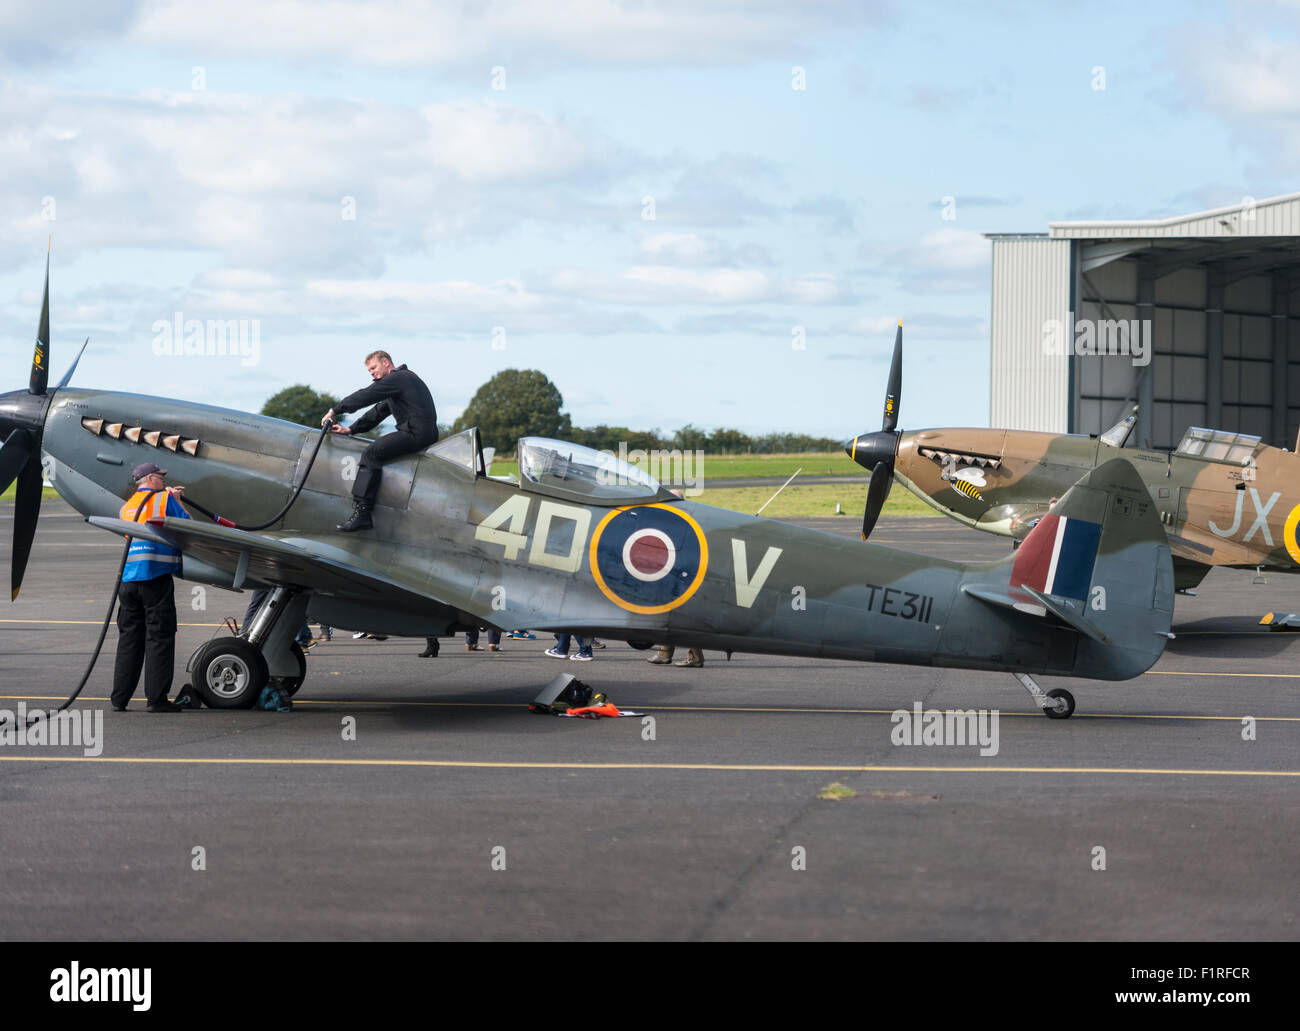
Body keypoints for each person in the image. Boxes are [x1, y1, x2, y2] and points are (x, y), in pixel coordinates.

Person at [323, 351, 438, 532]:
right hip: (424, 434)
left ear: (386, 362)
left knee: (371, 454)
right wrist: (351, 429)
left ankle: (362, 514)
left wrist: (335, 410)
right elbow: (377, 412)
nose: (372, 373)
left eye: (373, 368)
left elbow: (367, 395)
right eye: (369, 371)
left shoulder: (398, 378)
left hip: (416, 434)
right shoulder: (400, 384)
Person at [111, 463, 191, 712]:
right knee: (159, 637)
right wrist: (177, 499)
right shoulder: (164, 500)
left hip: (129, 581)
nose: (164, 481)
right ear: (150, 479)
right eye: (161, 477)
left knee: (129, 640)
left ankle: (119, 699)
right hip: (155, 578)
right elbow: (187, 528)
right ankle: (156, 699)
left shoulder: (127, 507)